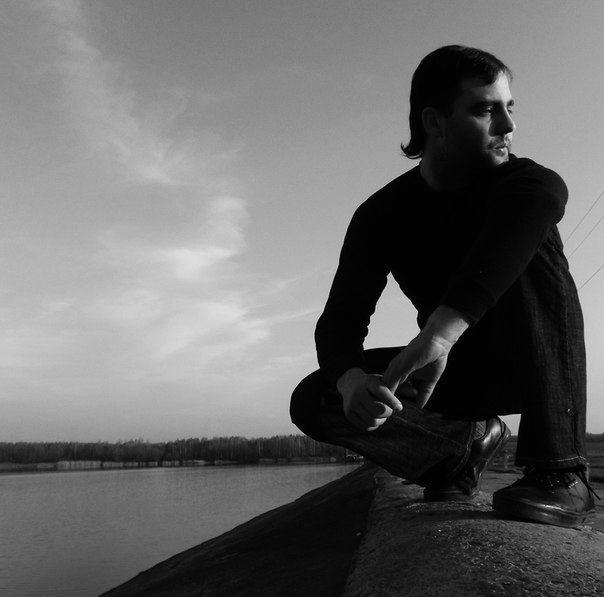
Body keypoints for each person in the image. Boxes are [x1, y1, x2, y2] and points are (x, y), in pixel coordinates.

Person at [290, 45, 599, 528]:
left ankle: (562, 471)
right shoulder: (381, 215)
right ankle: (456, 453)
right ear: (434, 122)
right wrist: (351, 382)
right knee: (315, 398)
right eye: (485, 110)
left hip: (535, 363)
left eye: (509, 107)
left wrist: (439, 333)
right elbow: (339, 322)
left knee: (531, 238)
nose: (508, 126)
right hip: (447, 378)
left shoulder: (521, 185)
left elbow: (546, 193)